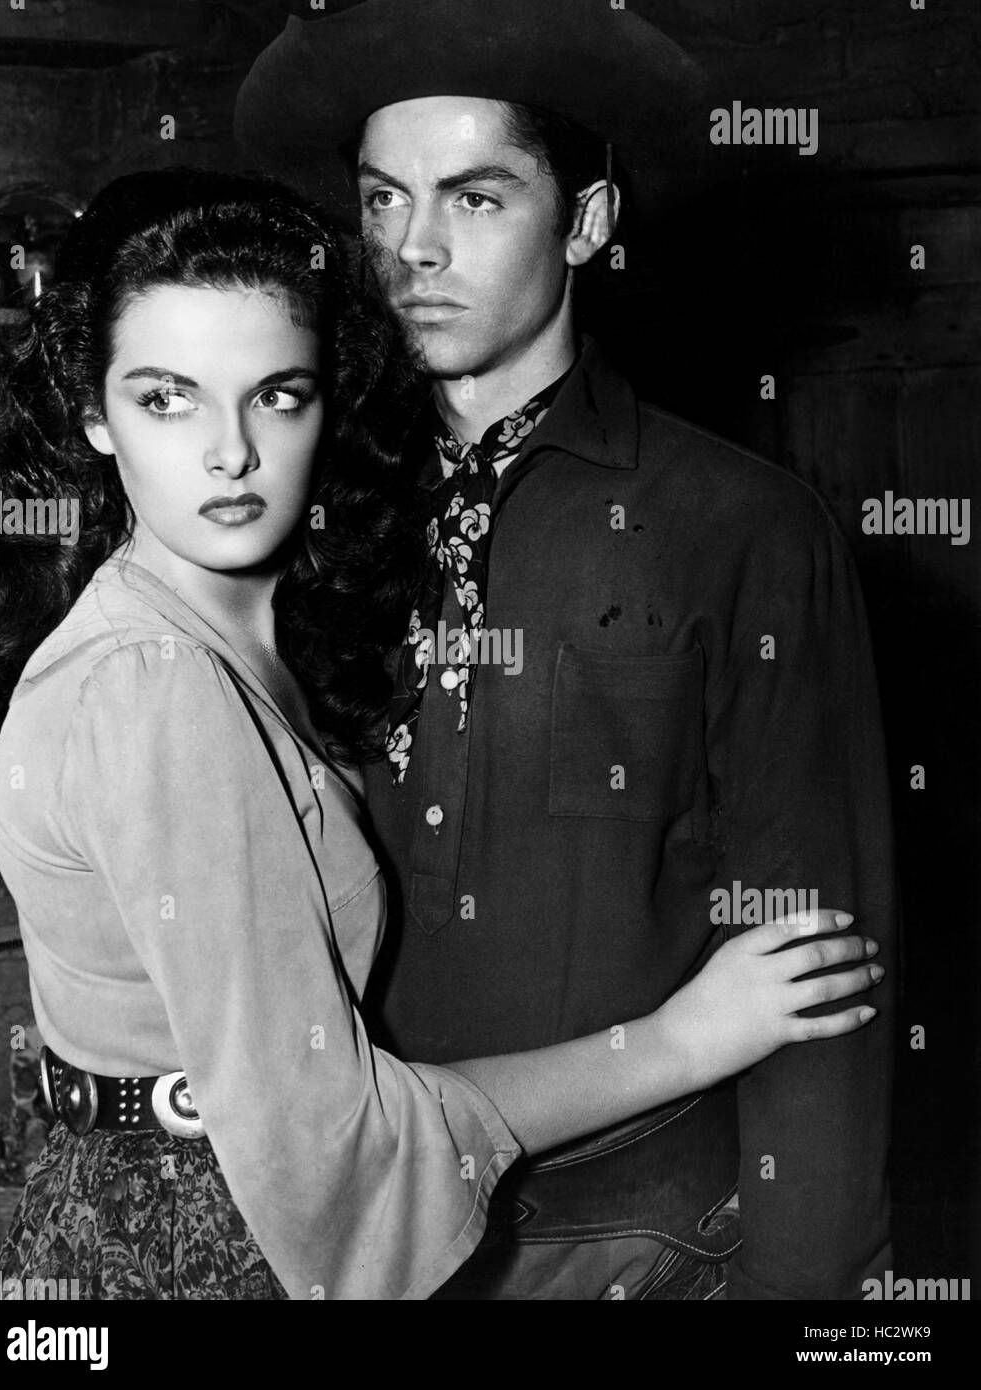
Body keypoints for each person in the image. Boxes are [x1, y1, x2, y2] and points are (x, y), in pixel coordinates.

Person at [0, 169, 882, 1301]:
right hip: (202, 1243)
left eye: (277, 394)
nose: (230, 452)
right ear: (96, 415)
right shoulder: (155, 683)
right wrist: (687, 1039)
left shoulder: (238, 635)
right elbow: (336, 1133)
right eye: (167, 399)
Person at [234, 0, 898, 1300]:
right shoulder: (297, 509)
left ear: (588, 221)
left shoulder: (742, 528)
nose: (413, 248)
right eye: (382, 201)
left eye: (475, 198)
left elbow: (816, 969)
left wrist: (818, 1294)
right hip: (362, 1226)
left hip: (644, 1241)